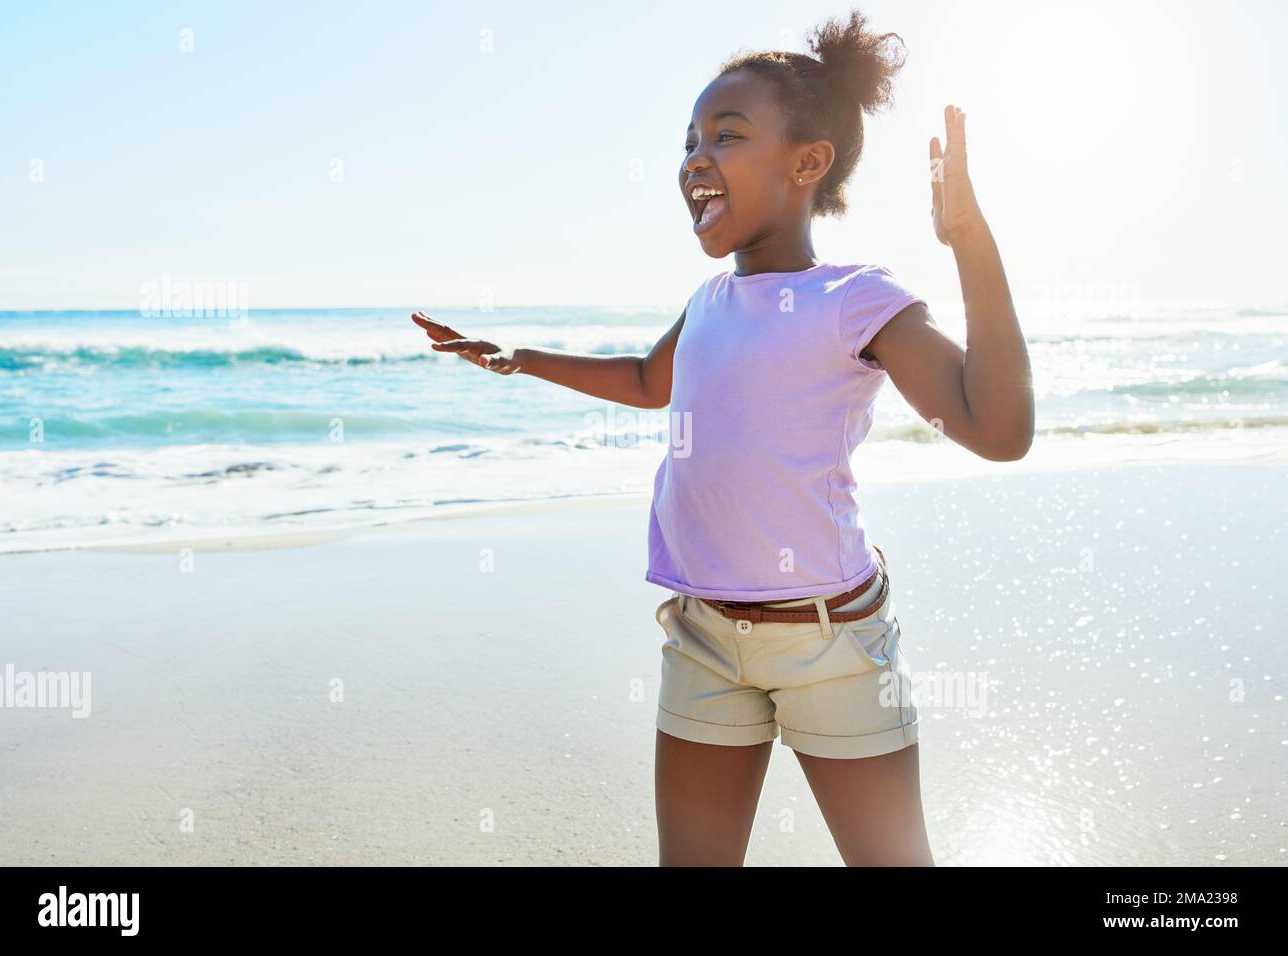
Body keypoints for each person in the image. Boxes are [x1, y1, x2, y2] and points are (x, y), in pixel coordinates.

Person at [411, 8, 1033, 866]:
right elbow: (647, 381)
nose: (694, 160)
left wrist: (968, 240)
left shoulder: (855, 297)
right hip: (702, 639)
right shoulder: (707, 303)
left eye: (726, 136)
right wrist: (520, 358)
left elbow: (999, 429)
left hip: (832, 644)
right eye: (689, 142)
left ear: (808, 163)